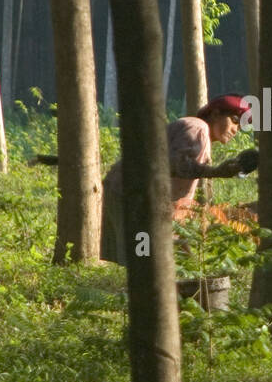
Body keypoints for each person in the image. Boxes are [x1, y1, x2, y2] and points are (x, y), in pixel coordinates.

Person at [100, 93, 258, 265]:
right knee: (142, 261)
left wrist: (190, 261)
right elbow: (176, 165)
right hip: (132, 194)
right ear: (215, 114)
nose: (236, 129)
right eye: (235, 120)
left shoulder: (201, 135)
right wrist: (217, 171)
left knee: (145, 259)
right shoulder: (198, 128)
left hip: (132, 194)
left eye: (240, 126)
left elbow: (179, 199)